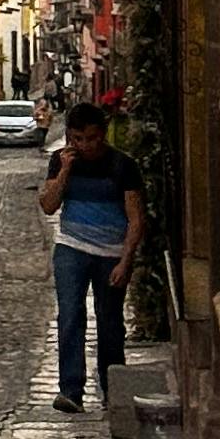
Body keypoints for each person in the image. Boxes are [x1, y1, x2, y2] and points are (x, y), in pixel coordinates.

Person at [39, 100, 144, 416]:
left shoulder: (123, 166)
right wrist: (66, 171)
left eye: (92, 138)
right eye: (78, 139)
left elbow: (136, 218)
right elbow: (48, 205)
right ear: (70, 137)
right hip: (71, 248)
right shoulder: (61, 162)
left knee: (110, 322)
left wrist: (126, 261)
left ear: (103, 134)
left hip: (111, 254)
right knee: (70, 316)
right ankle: (71, 391)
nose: (86, 146)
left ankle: (113, 390)